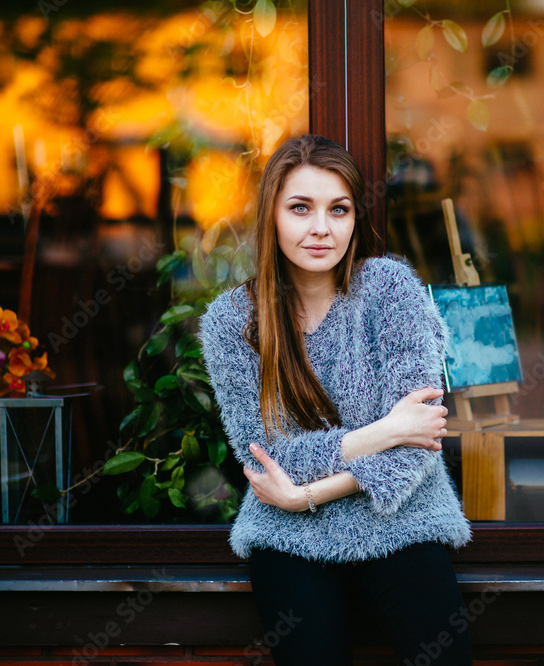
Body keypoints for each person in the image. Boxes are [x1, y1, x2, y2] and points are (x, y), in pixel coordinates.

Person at [199, 134, 472, 665]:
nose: (321, 227)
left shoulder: (390, 289)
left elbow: (416, 447)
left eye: (338, 209)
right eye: (301, 208)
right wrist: (387, 431)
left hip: (402, 519)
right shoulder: (233, 322)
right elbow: (268, 457)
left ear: (354, 219)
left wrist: (304, 495)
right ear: (272, 215)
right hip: (289, 535)